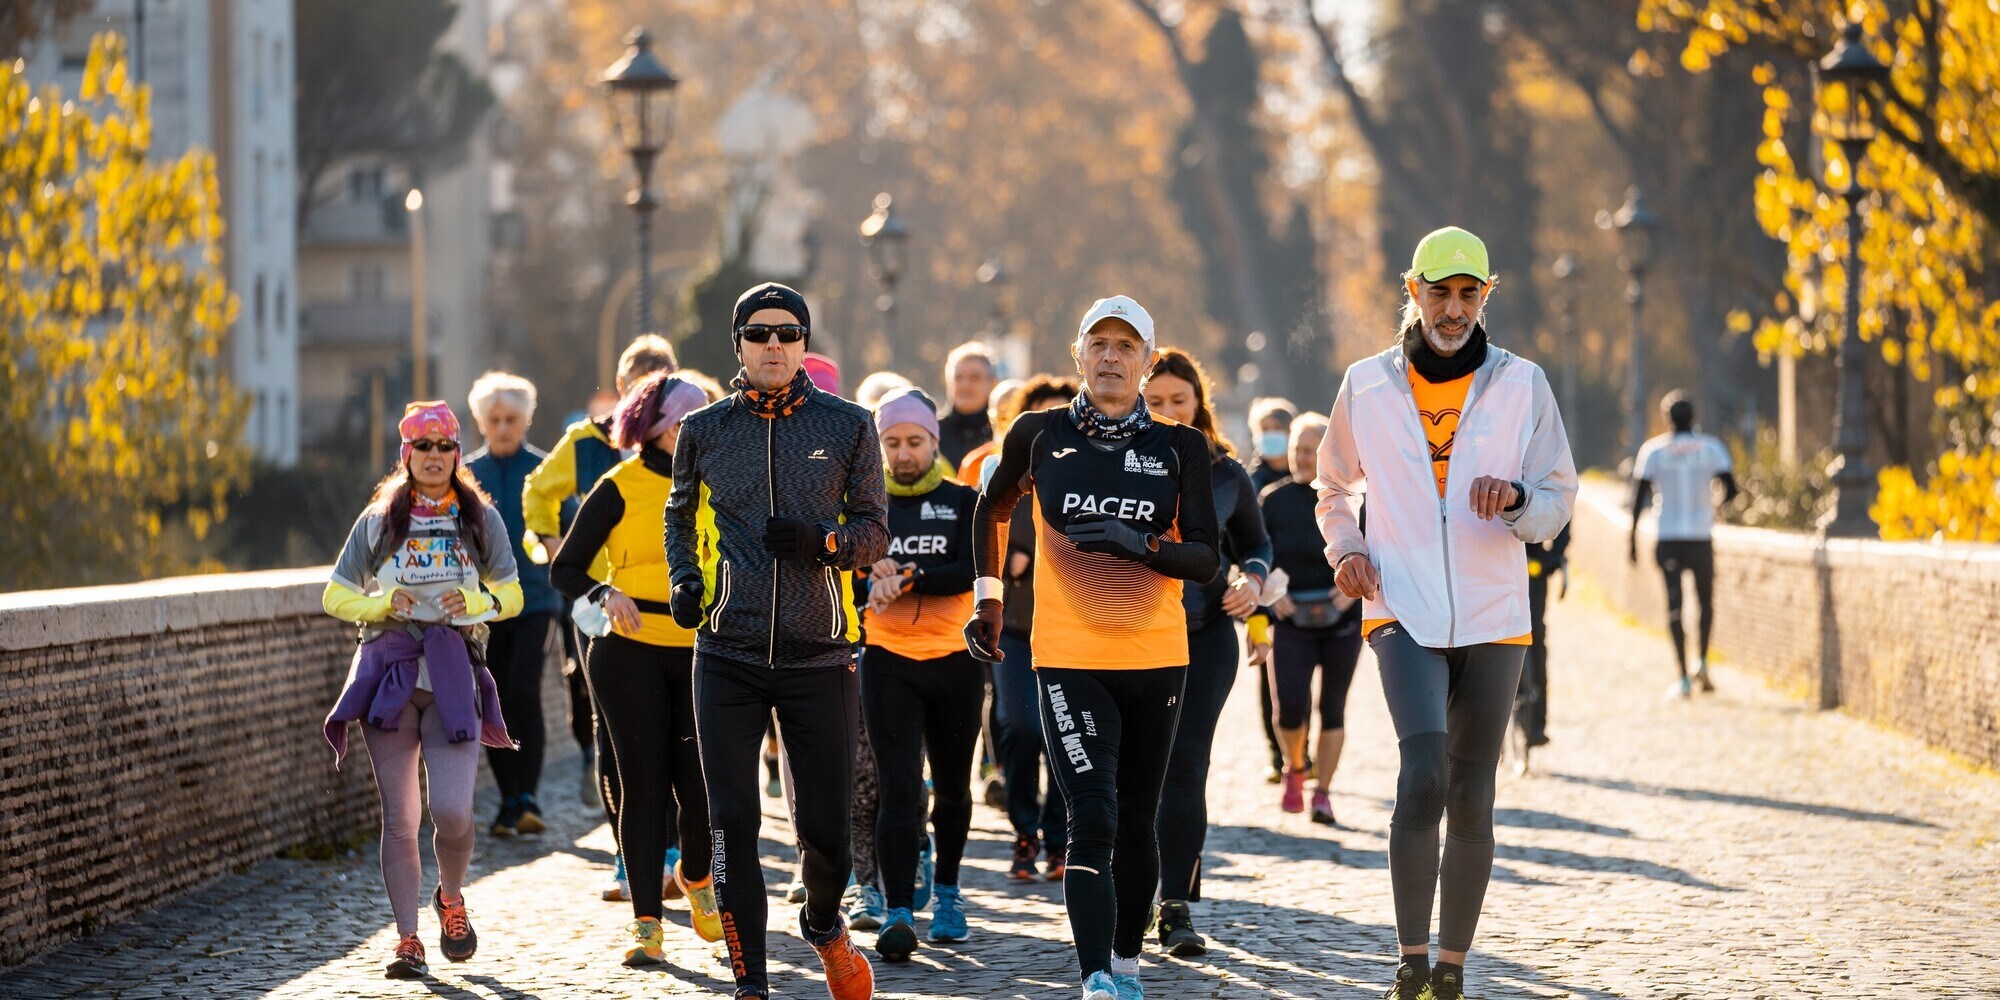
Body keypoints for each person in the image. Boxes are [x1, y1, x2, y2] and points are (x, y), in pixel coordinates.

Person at [1315, 227, 1575, 1000]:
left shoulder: (1524, 383)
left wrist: (1521, 500)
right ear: (1412, 292)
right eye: (1440, 293)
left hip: (1497, 614)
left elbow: (1558, 498)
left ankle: (1452, 968)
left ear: (1486, 296)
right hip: (1400, 604)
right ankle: (1410, 958)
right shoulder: (1365, 384)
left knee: (1471, 790)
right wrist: (1346, 551)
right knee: (1422, 774)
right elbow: (1331, 489)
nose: (1453, 310)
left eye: (1469, 294)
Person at [967, 296, 1220, 1000]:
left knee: (1138, 820)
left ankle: (1129, 964)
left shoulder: (1179, 446)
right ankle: (1095, 978)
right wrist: (989, 599)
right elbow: (990, 508)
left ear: (1147, 360)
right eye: (1099, 344)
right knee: (1093, 816)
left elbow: (1206, 559)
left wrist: (1145, 546)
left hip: (1156, 657)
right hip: (1068, 658)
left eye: (1126, 345)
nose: (1111, 356)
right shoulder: (1039, 434)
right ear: (1078, 354)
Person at [665, 282, 888, 1000]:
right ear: (737, 343)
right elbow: (678, 515)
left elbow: (875, 534)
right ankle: (750, 984)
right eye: (759, 333)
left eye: (788, 334)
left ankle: (825, 927)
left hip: (820, 654)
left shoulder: (850, 425)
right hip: (726, 654)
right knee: (730, 824)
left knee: (826, 839)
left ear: (803, 344)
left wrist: (822, 541)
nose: (773, 345)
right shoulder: (704, 429)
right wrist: (685, 580)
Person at [321, 402, 522, 979]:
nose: (434, 457)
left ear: (457, 454)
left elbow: (513, 594)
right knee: (400, 817)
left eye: (444, 447)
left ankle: (451, 899)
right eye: (422, 446)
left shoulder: (479, 517)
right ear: (406, 454)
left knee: (452, 811)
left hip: (453, 668)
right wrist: (382, 603)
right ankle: (407, 938)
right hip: (389, 669)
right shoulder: (378, 520)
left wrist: (479, 603)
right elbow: (335, 596)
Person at [551, 373, 724, 965]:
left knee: (701, 789)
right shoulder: (618, 486)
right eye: (686, 423)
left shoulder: (723, 486)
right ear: (658, 428)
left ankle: (698, 876)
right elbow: (565, 569)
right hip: (629, 651)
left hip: (705, 651)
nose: (698, 433)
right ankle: (646, 922)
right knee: (643, 788)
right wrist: (602, 593)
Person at [523, 333, 679, 901]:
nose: (648, 391)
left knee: (676, 744)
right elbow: (538, 492)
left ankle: (673, 854)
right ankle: (627, 855)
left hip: (671, 618)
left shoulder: (691, 444)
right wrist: (550, 539)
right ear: (620, 388)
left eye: (660, 381)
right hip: (598, 604)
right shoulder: (586, 444)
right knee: (612, 734)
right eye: (639, 381)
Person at [1141, 348, 1271, 959]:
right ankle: (1132, 894)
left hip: (1205, 634)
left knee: (1187, 765)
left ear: (1199, 404)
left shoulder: (1225, 473)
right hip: (1131, 633)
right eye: (1156, 402)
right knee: (1137, 769)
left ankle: (1176, 907)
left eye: (1178, 402)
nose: (1168, 412)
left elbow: (1257, 543)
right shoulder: (1115, 465)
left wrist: (1251, 578)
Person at [854, 387, 983, 960]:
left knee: (953, 789)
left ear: (934, 441)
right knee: (899, 788)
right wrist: (867, 582)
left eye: (914, 441)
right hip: (888, 663)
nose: (903, 454)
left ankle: (950, 893)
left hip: (955, 662)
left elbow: (970, 570)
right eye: (892, 443)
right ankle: (899, 909)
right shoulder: (866, 509)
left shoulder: (963, 501)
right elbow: (844, 571)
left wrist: (905, 578)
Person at [981, 375, 1077, 883]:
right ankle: (1024, 828)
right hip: (1016, 628)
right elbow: (985, 530)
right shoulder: (1004, 473)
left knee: (1065, 735)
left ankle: (1060, 837)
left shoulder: (1092, 472)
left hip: (1074, 628)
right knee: (1019, 728)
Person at [1248, 413, 1361, 825]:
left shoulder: (1349, 500)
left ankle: (1323, 794)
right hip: (1289, 616)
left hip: (1342, 619)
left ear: (1327, 453)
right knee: (1289, 709)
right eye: (1297, 449)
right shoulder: (1273, 500)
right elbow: (1258, 552)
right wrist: (1271, 597)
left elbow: (1376, 551)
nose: (1300, 457)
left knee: (1332, 707)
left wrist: (1352, 590)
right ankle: (1294, 767)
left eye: (1310, 450)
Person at [464, 372, 559, 838]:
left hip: (538, 600)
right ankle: (507, 801)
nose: (503, 427)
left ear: (526, 421)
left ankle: (529, 795)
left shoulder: (545, 470)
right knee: (491, 698)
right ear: (482, 422)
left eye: (512, 419)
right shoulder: (466, 475)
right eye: (495, 419)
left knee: (524, 689)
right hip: (483, 606)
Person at [1629, 391, 1738, 698]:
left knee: (1674, 603)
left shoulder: (1654, 451)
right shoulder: (1711, 448)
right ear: (1694, 417)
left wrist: (1632, 541)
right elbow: (1732, 488)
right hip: (1701, 536)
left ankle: (1682, 677)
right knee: (1706, 602)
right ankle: (1702, 662)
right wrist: (1715, 506)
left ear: (1667, 419)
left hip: (1669, 537)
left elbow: (1638, 500)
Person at [1245, 396, 1300, 781]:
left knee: (1302, 675)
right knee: (1269, 675)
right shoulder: (1250, 482)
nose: (1271, 439)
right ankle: (1275, 753)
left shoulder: (1312, 480)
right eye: (1264, 432)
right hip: (1262, 600)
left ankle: (1303, 751)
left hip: (1303, 595)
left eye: (1278, 431)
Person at [1517, 524, 1570, 751]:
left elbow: (1561, 498)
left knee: (1535, 639)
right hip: (1491, 562)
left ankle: (1537, 725)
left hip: (1533, 564)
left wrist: (1556, 554)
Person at [937, 341, 998, 467]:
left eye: (974, 378)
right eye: (958, 378)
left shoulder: (1001, 433)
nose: (965, 385)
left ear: (992, 383)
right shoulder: (933, 433)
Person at [1246, 397, 1298, 491]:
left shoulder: (1304, 476)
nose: (1271, 434)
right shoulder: (1250, 482)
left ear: (1291, 432)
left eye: (1277, 428)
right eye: (1265, 429)